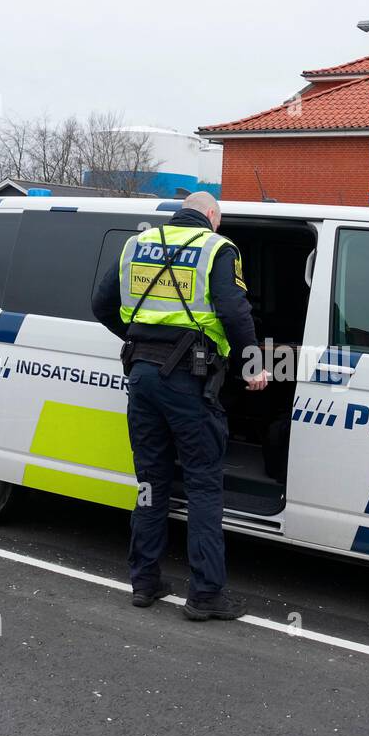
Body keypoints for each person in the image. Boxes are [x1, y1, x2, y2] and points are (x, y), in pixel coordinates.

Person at [92, 192, 269, 620]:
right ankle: (205, 595)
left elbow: (100, 304)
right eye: (218, 219)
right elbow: (234, 311)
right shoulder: (217, 247)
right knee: (203, 485)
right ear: (211, 215)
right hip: (189, 380)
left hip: (141, 376)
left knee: (150, 482)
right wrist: (252, 365)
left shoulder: (137, 243)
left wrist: (140, 337)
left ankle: (144, 582)